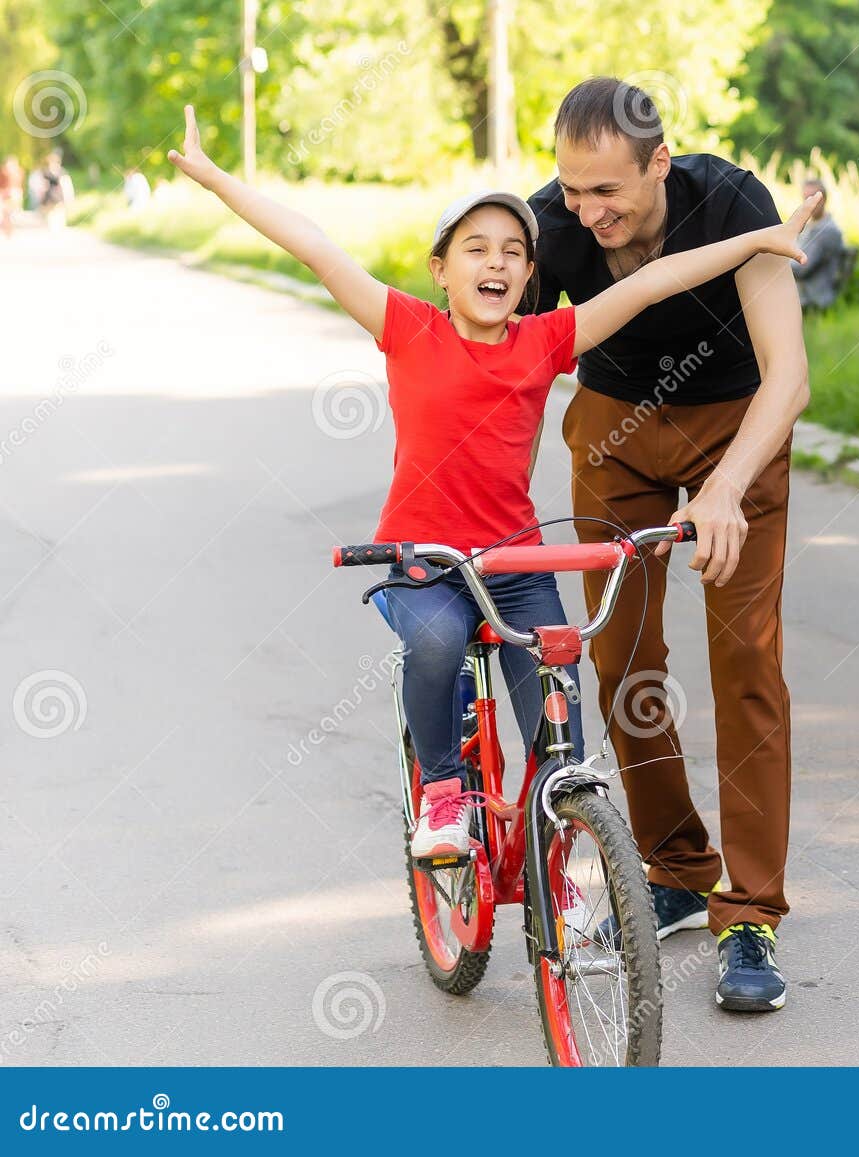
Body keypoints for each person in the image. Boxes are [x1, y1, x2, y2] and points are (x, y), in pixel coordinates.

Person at [164, 103, 817, 860]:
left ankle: (560, 836)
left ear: (531, 275)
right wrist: (216, 181)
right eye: (475, 250)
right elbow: (314, 246)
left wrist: (759, 239)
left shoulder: (547, 340)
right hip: (428, 561)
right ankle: (442, 788)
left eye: (513, 252)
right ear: (440, 270)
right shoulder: (407, 327)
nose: (497, 263)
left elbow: (654, 282)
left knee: (557, 672)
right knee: (439, 639)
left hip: (513, 562)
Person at [530, 77, 810, 1014]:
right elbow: (506, 373)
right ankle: (677, 866)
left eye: (606, 190)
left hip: (740, 427)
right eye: (572, 190)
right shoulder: (555, 225)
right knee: (621, 656)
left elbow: (790, 373)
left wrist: (729, 484)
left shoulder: (731, 202)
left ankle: (750, 912)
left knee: (746, 657)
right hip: (613, 430)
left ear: (660, 161)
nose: (587, 211)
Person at [790, 177, 846, 310]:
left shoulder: (827, 231)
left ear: (824, 199)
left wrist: (776, 260)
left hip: (813, 296)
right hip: (802, 291)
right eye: (806, 198)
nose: (809, 203)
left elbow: (802, 268)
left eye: (814, 198)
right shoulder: (810, 226)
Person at [37, 152, 71, 229]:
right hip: (48, 197)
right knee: (49, 218)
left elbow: (66, 186)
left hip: (58, 197)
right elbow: (42, 186)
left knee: (59, 216)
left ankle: (57, 232)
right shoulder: (45, 172)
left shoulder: (62, 173)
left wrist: (68, 197)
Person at [0, 157, 23, 240]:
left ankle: (9, 229)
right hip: (5, 193)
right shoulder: (3, 171)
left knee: (12, 213)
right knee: (6, 213)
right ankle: (7, 230)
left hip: (15, 193)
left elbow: (20, 184)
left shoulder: (19, 171)